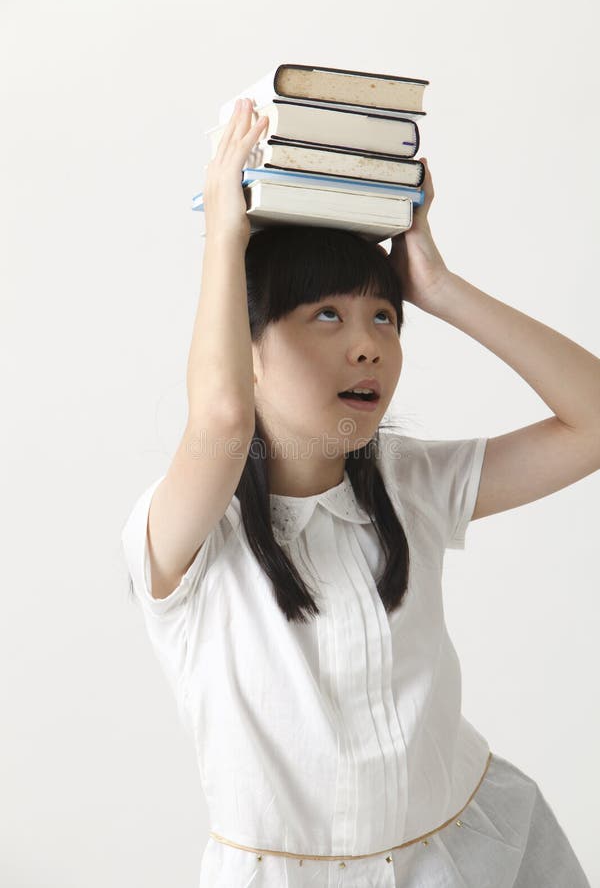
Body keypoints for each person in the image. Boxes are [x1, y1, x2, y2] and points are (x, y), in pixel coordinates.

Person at [121, 96, 597, 887]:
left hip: (468, 855)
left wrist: (436, 287)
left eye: (384, 316)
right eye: (327, 315)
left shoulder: (412, 485)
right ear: (250, 349)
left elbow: (592, 421)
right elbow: (224, 415)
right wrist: (224, 237)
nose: (368, 345)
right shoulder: (185, 535)